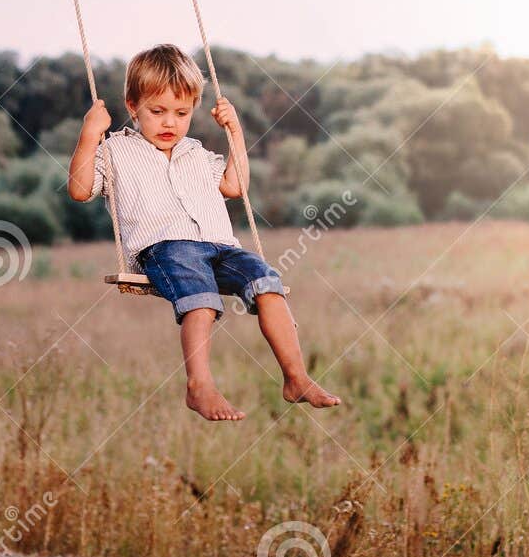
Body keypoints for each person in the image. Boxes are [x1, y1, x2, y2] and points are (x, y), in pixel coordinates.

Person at [68, 44, 342, 423]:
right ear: (133, 106)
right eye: (157, 112)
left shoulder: (196, 153)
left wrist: (235, 133)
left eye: (181, 113)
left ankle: (296, 377)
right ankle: (199, 385)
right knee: (201, 298)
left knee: (267, 281)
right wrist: (89, 133)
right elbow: (80, 189)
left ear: (194, 108)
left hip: (220, 246)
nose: (170, 123)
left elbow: (235, 186)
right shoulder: (116, 151)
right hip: (164, 248)